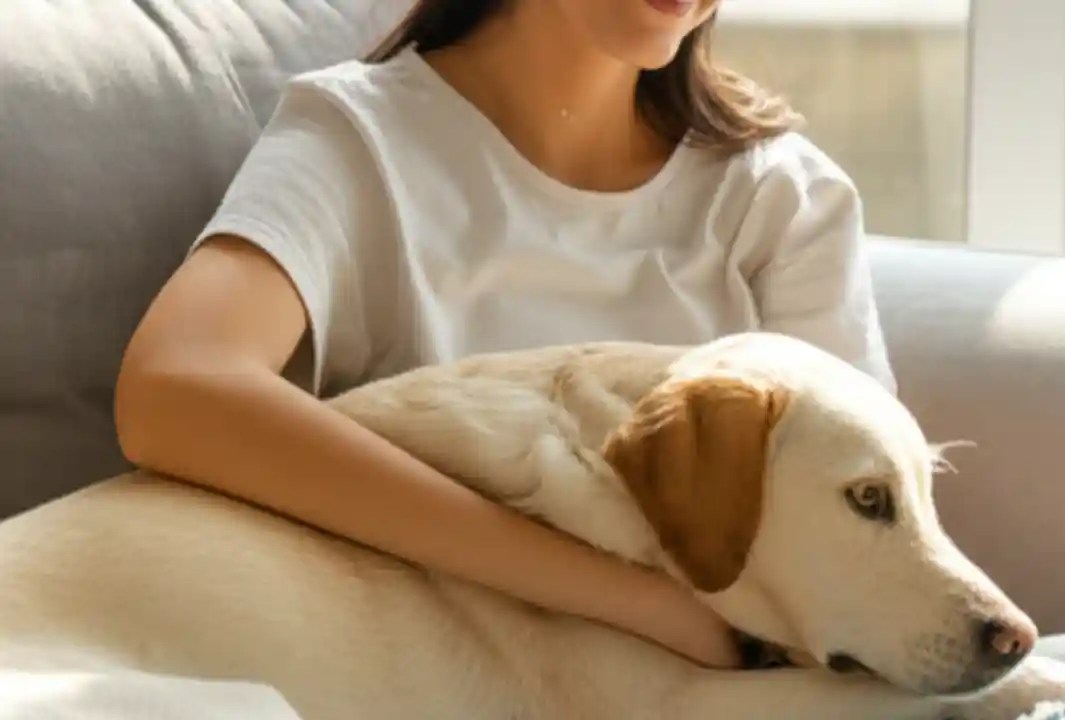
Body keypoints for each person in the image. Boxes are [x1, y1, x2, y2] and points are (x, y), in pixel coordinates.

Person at [114, 0, 894, 671]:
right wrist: (632, 602)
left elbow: (868, 561)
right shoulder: (361, 140)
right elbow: (175, 388)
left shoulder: (780, 198)